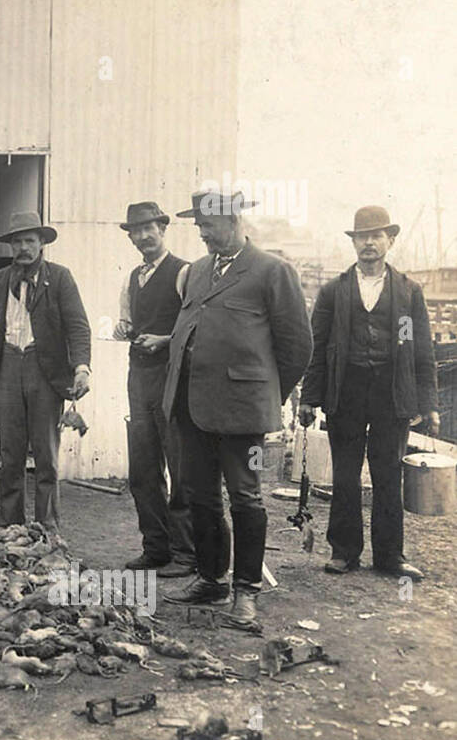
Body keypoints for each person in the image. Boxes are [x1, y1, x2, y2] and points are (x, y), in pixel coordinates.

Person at [162, 187, 313, 629]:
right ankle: (212, 577)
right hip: (192, 404)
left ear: (234, 223)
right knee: (200, 495)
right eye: (200, 227)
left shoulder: (272, 271)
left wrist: (265, 394)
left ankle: (246, 592)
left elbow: (297, 346)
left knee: (245, 497)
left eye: (208, 226)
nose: (203, 234)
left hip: (241, 410)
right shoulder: (197, 272)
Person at [299, 206, 439, 581]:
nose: (369, 243)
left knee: (388, 475)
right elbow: (318, 346)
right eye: (362, 237)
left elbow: (420, 350)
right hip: (346, 392)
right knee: (344, 475)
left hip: (391, 394)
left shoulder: (408, 293)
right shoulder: (334, 291)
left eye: (377, 236)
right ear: (354, 242)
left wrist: (428, 403)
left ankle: (390, 556)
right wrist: (309, 398)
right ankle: (344, 552)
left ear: (390, 241)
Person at [0, 211, 91, 534]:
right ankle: (10, 525)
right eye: (17, 241)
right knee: (9, 454)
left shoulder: (60, 278)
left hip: (45, 369)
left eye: (30, 240)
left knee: (45, 454)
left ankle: (46, 528)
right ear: (10, 246)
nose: (23, 247)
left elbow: (78, 327)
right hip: (7, 368)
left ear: (41, 243)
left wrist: (81, 368)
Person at [113, 201, 195, 576]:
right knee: (143, 468)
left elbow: (198, 326)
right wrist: (122, 330)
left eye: (150, 228)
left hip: (172, 377)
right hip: (138, 379)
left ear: (163, 230)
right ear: (129, 237)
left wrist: (165, 340)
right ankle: (155, 548)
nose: (143, 236)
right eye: (136, 230)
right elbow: (127, 321)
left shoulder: (184, 273)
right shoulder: (132, 278)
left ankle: (185, 553)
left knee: (179, 467)